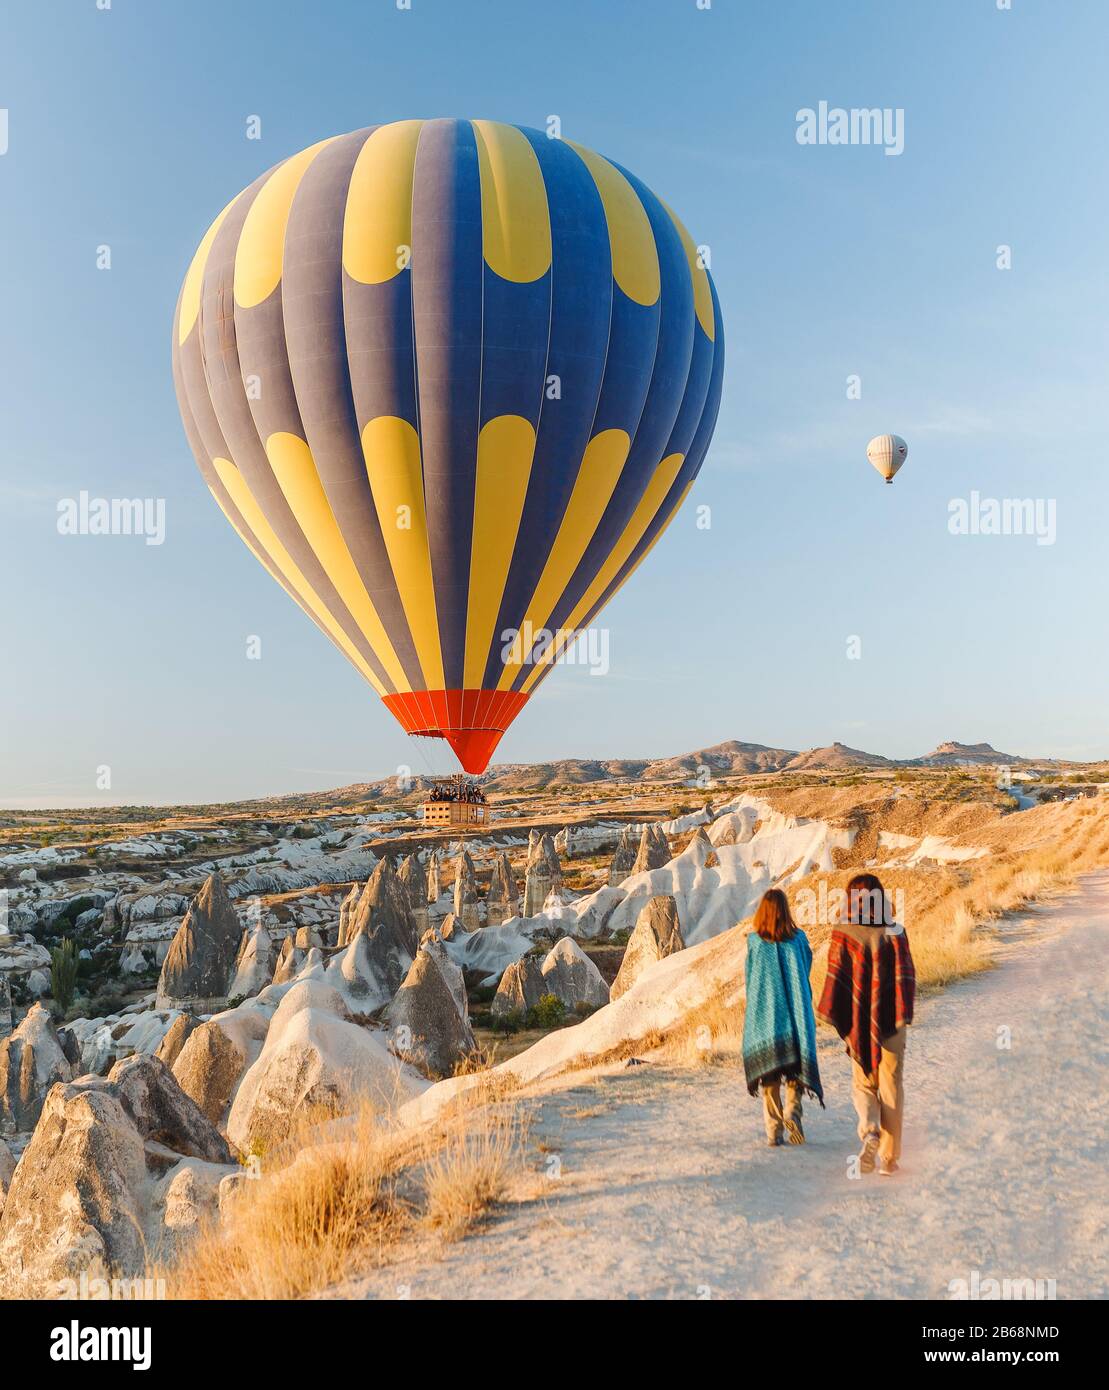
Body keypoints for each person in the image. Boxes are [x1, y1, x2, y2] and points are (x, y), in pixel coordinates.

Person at [817, 873, 916, 1177]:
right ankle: (888, 1158)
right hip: (892, 1023)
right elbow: (906, 978)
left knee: (862, 1083)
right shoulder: (895, 931)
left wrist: (845, 1015)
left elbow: (836, 983)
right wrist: (900, 1011)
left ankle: (870, 1130)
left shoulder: (843, 932)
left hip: (859, 1024)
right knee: (891, 1086)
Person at [742, 888, 824, 1146]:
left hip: (766, 1020)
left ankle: (774, 1131)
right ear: (786, 912)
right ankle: (793, 1112)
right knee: (795, 1071)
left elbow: (749, 978)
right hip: (796, 1015)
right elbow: (806, 967)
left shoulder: (755, 942)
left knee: (770, 1077)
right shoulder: (798, 940)